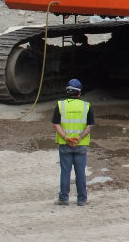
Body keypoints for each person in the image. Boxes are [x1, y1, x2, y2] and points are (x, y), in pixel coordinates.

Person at [52, 78, 94, 206]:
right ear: (79, 93)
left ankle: (63, 198)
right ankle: (82, 199)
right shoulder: (86, 106)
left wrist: (66, 137)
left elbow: (56, 124)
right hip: (80, 145)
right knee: (80, 172)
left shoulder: (61, 105)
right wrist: (79, 138)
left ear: (67, 92)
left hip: (65, 144)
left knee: (65, 172)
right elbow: (90, 125)